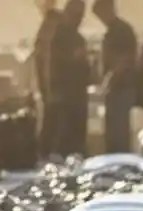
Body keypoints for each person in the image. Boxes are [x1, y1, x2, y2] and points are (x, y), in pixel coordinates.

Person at [46, 0, 91, 157]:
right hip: (65, 94)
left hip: (76, 94)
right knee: (64, 138)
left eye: (80, 16)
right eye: (75, 15)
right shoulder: (60, 36)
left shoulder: (75, 37)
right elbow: (57, 65)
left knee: (76, 137)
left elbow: (86, 69)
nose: (78, 19)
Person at [94, 0, 138, 153]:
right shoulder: (112, 31)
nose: (100, 18)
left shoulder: (121, 31)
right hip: (114, 87)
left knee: (118, 128)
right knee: (113, 127)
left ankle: (120, 157)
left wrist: (110, 78)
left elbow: (126, 59)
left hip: (121, 86)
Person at [32, 0, 63, 158]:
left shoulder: (47, 34)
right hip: (50, 86)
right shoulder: (48, 34)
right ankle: (46, 151)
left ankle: (46, 151)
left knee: (52, 119)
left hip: (50, 85)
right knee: (51, 120)